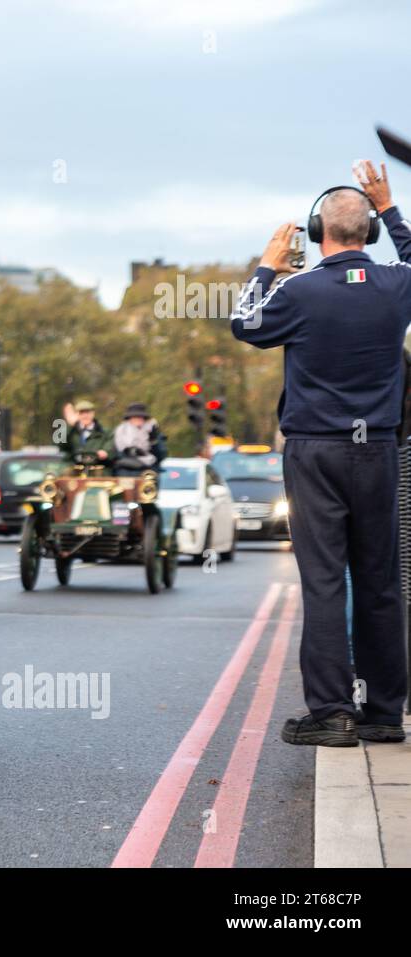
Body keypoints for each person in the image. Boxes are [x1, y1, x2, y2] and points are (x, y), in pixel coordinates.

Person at [228, 159, 411, 747]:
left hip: (315, 452)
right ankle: (385, 711)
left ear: (315, 233)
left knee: (326, 580)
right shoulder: (395, 285)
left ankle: (331, 712)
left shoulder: (299, 291)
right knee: (380, 580)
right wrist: (389, 205)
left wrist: (265, 266)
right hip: (377, 449)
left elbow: (243, 324)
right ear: (372, 233)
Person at [111, 402, 167, 476]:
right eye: (135, 417)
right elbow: (115, 455)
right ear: (129, 418)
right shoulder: (120, 432)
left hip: (148, 472)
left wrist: (153, 441)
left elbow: (161, 455)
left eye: (141, 417)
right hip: (125, 472)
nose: (138, 419)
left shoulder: (153, 432)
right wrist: (131, 452)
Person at [58, 399, 111, 466]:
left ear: (93, 413)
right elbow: (59, 445)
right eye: (82, 413)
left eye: (88, 412)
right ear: (77, 415)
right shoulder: (71, 431)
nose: (85, 416)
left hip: (97, 468)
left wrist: (105, 452)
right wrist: (70, 426)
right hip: (75, 468)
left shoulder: (104, 432)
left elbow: (110, 450)